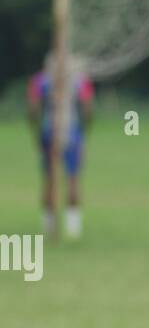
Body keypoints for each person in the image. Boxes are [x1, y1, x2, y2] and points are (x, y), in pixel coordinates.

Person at [27, 53, 94, 238]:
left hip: (49, 131)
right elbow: (88, 108)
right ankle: (73, 228)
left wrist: (35, 131)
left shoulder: (40, 80)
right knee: (72, 178)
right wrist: (85, 130)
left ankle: (49, 226)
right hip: (71, 133)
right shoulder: (79, 81)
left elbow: (32, 109)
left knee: (49, 179)